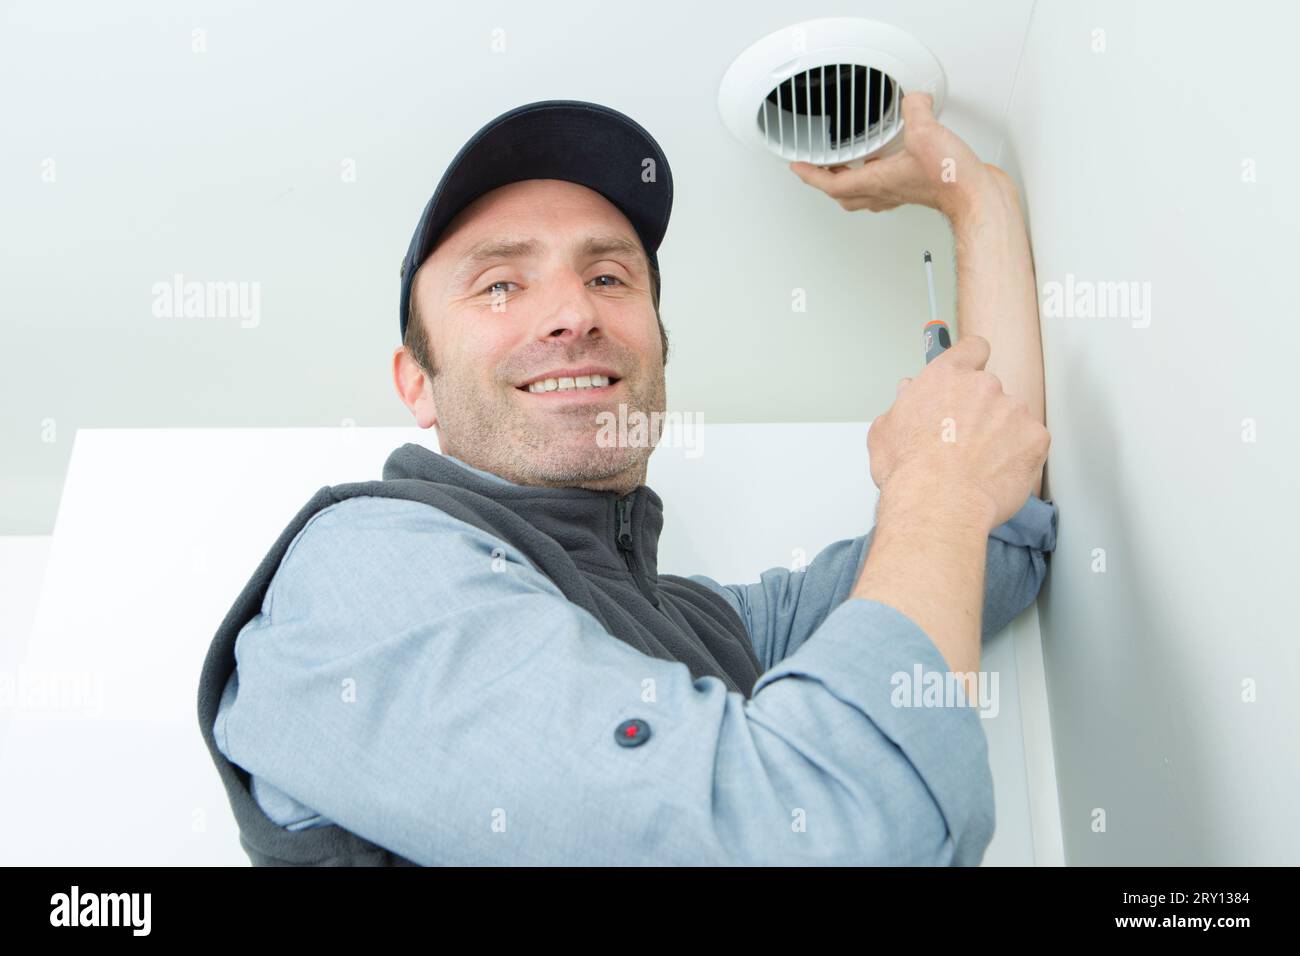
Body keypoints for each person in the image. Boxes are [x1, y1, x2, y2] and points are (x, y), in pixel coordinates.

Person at [197, 96, 1056, 866]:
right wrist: (933, 485)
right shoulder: (361, 573)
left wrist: (976, 200)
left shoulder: (706, 627)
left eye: (609, 276)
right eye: (501, 284)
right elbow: (833, 836)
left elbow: (993, 535)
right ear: (415, 382)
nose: (575, 313)